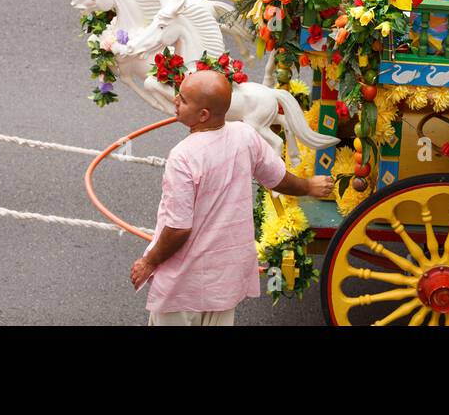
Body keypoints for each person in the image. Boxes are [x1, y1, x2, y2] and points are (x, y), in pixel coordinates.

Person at [129, 71, 333, 326]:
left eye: (182, 98)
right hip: (225, 278)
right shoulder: (245, 136)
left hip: (184, 283)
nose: (175, 101)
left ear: (203, 115)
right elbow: (278, 178)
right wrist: (309, 187)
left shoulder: (182, 157)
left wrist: (149, 261)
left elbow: (179, 228)